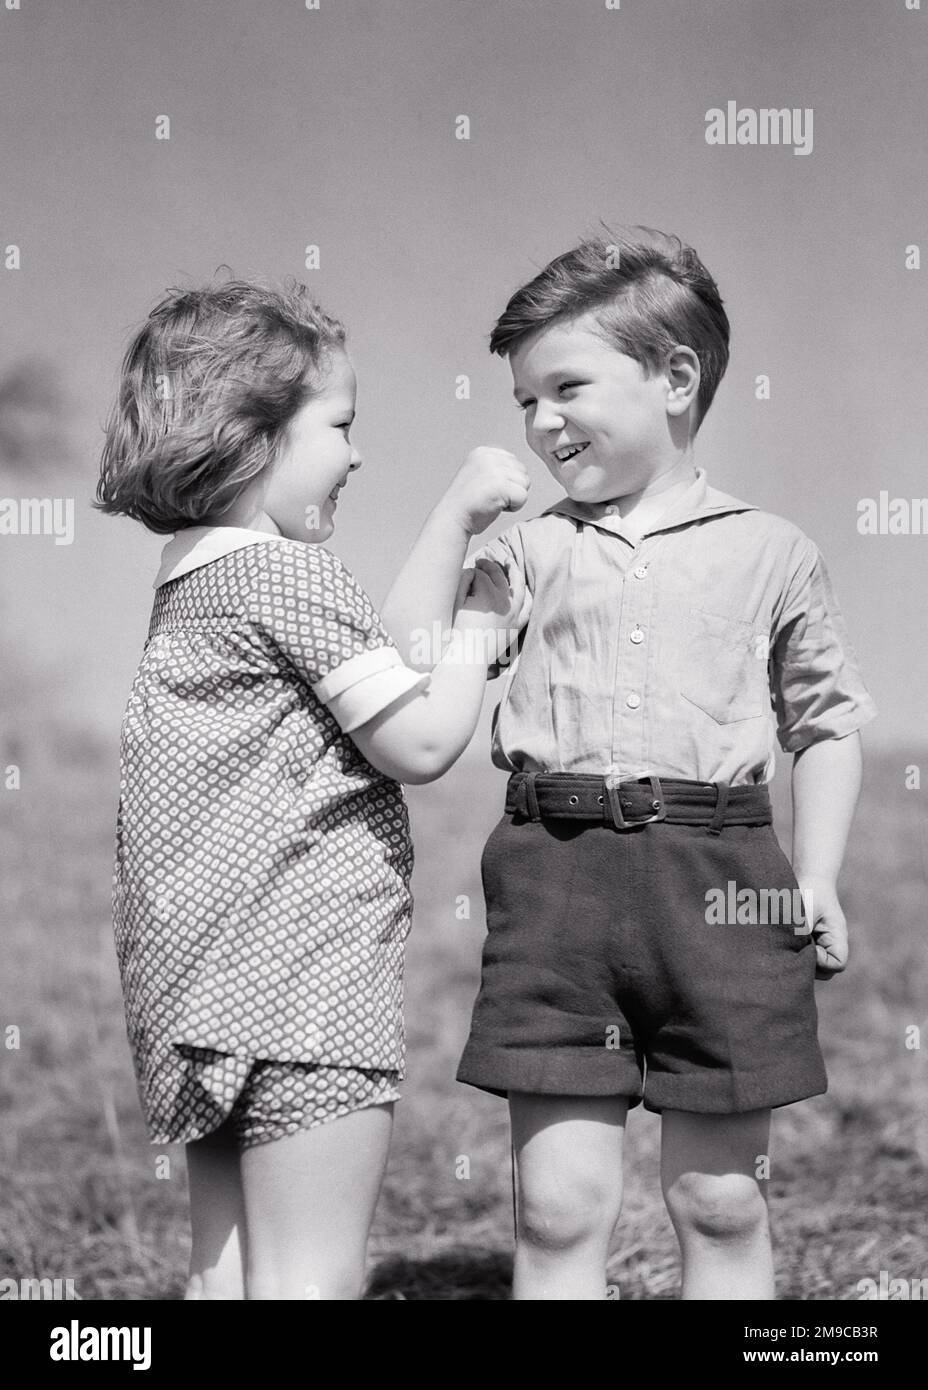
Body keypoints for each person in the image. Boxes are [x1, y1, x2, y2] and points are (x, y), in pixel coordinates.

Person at [380, 225, 877, 1300]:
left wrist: (822, 874)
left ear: (675, 377)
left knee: (722, 1198)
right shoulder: (522, 550)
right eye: (523, 401)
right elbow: (416, 666)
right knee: (557, 1208)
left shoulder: (773, 550)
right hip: (554, 879)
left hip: (725, 885)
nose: (540, 420)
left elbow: (825, 723)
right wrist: (452, 516)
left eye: (565, 386)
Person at [94, 278, 523, 1299]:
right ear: (255, 437)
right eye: (340, 423)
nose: (358, 451)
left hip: (197, 992)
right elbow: (417, 736)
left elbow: (379, 658)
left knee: (227, 1274)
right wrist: (478, 627)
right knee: (311, 1277)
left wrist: (452, 517)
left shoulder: (194, 588)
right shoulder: (287, 581)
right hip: (306, 987)